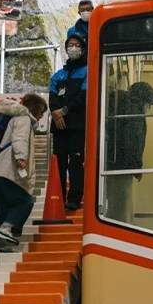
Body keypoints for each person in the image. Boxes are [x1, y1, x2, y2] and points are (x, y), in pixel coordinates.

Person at [0, 93, 48, 247]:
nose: (41, 116)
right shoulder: (23, 118)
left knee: (4, 209)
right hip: (7, 170)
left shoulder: (11, 117)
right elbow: (20, 138)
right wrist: (21, 158)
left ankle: (3, 243)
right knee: (25, 202)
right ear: (35, 108)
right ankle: (6, 229)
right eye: (41, 112)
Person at [102, 82, 153, 223]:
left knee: (113, 203)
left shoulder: (118, 104)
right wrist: (136, 166)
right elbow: (133, 140)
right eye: (148, 104)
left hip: (110, 161)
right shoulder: (134, 111)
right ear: (143, 100)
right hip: (122, 166)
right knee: (120, 207)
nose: (148, 108)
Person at [49, 32, 88, 210]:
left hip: (78, 126)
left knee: (76, 163)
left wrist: (64, 111)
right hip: (59, 127)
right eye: (70, 45)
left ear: (83, 48)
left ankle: (74, 198)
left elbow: (83, 96)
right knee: (59, 163)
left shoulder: (87, 71)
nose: (73, 48)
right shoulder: (59, 75)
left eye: (76, 45)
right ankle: (59, 197)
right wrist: (56, 113)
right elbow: (52, 96)